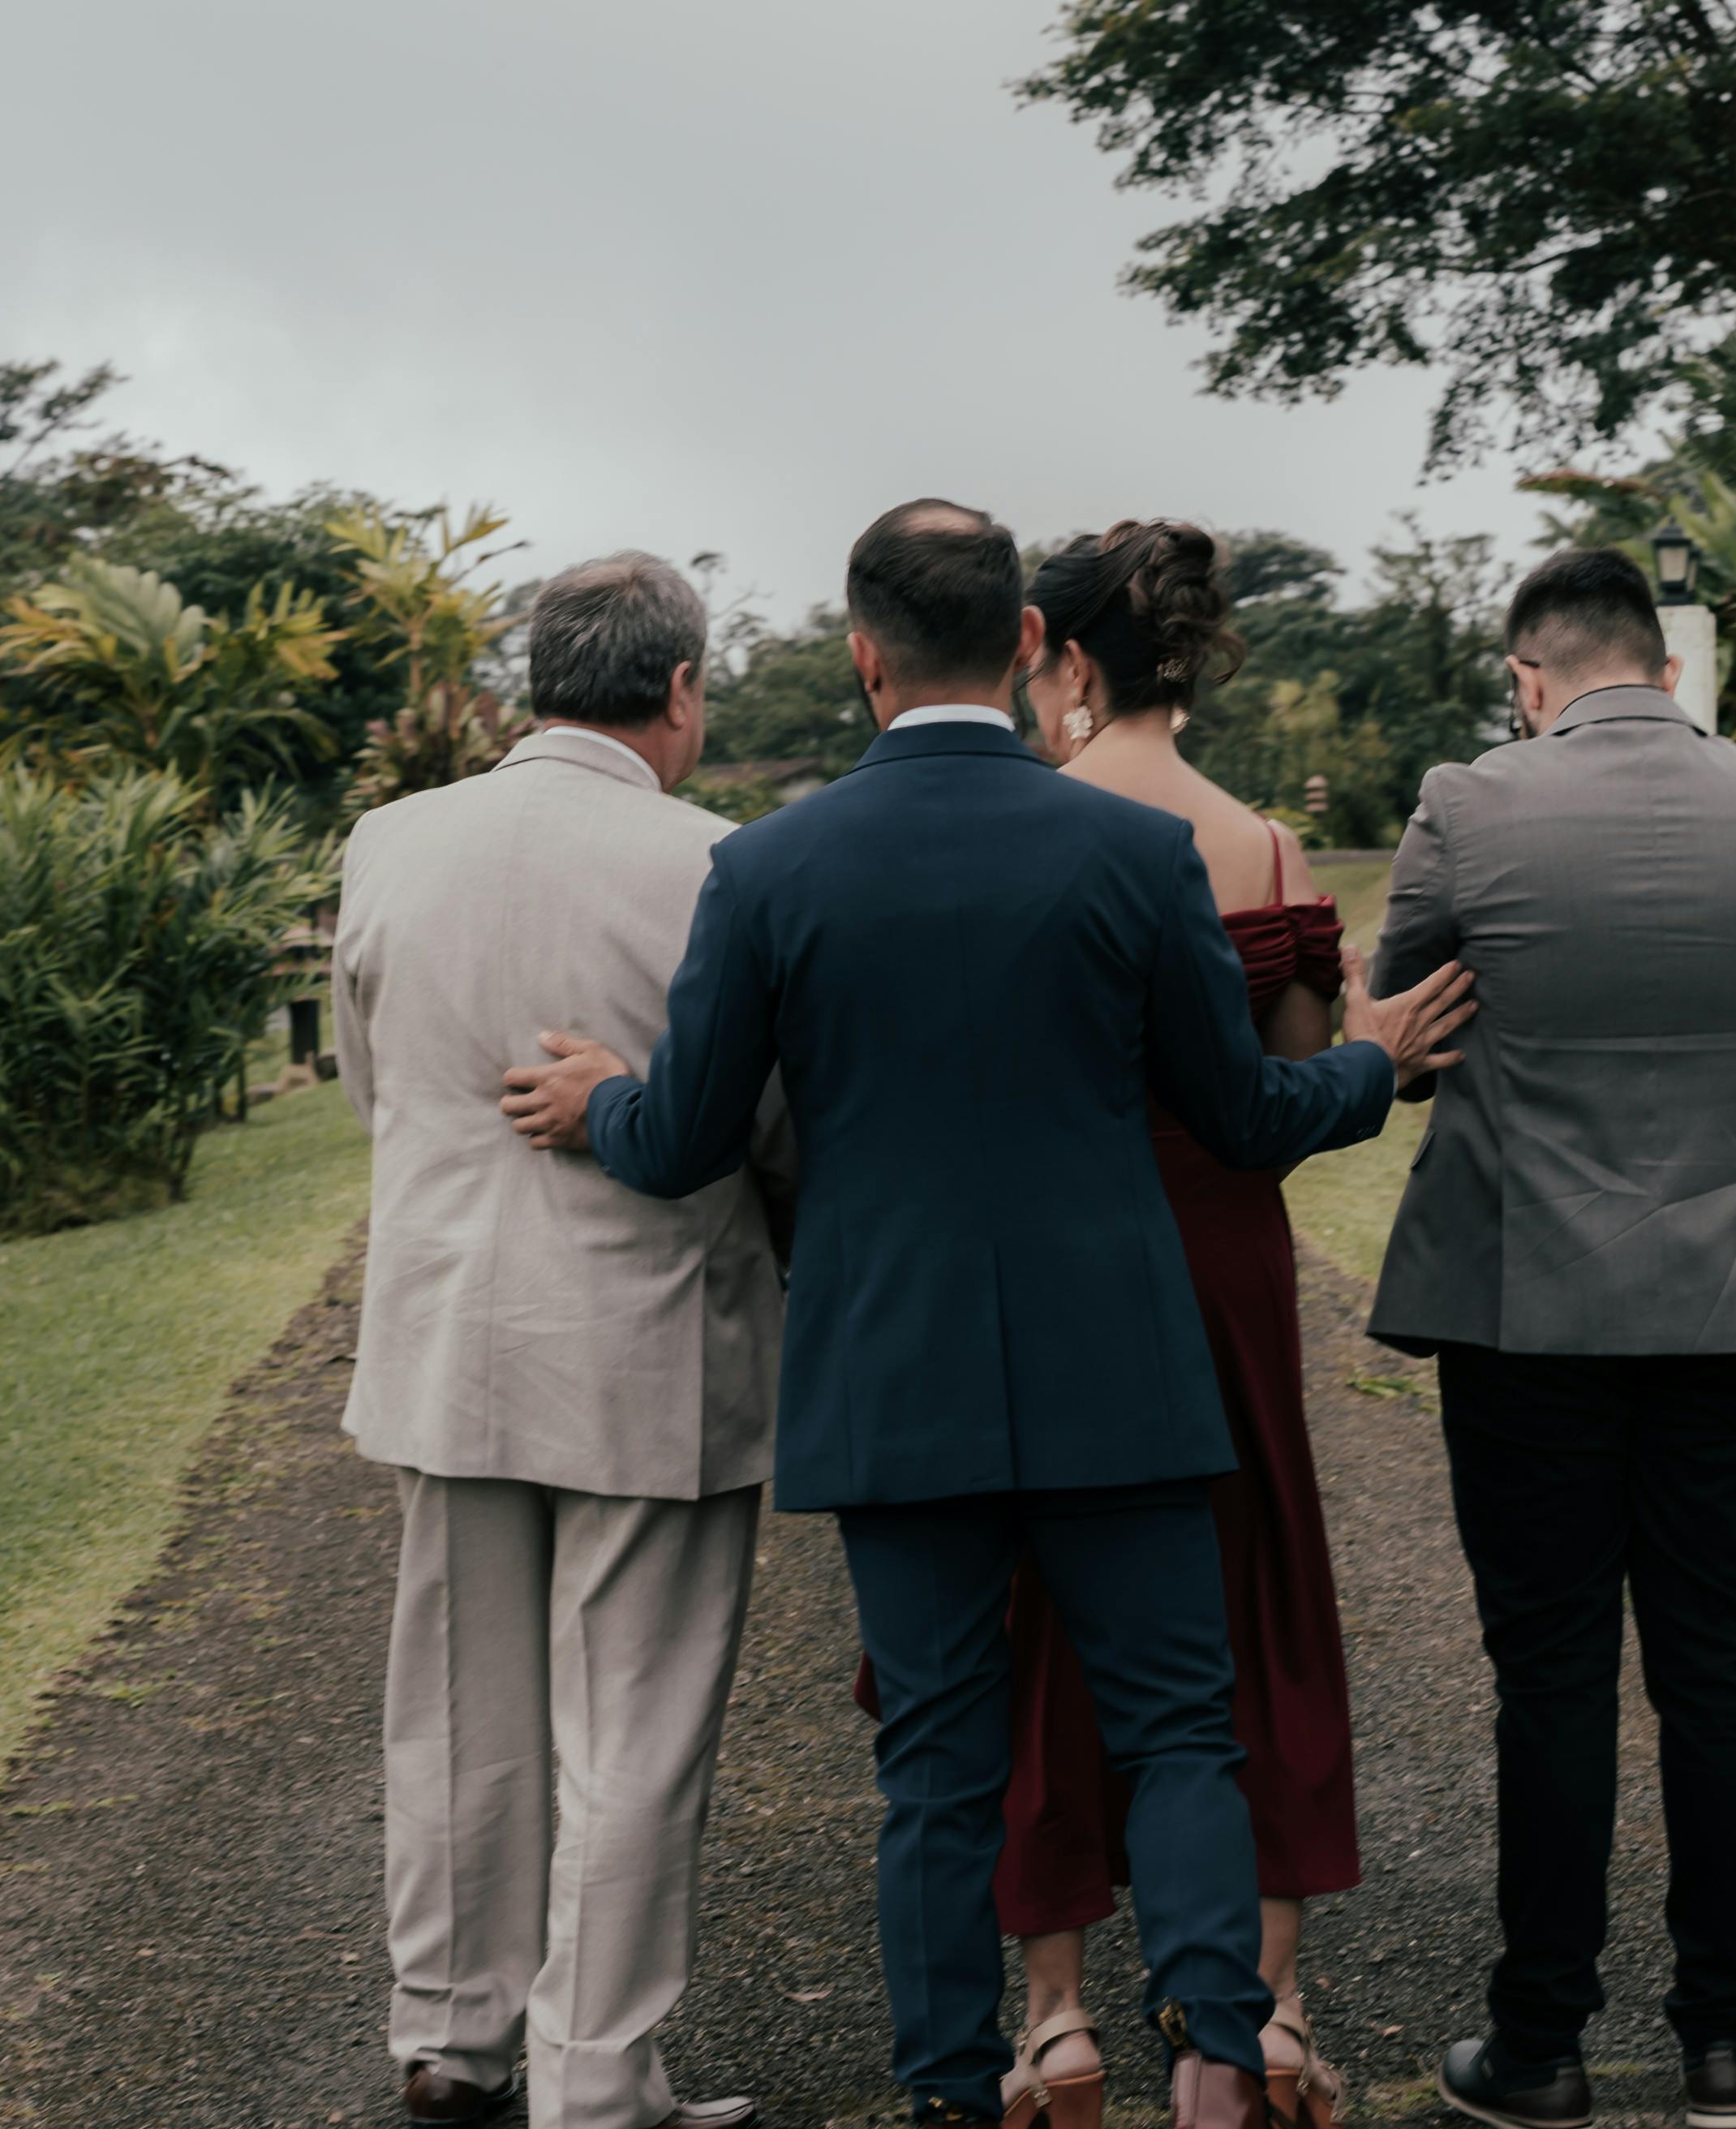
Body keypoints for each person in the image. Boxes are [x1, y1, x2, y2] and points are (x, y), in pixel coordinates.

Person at [492, 501, 1477, 2129]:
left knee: (938, 1771)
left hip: (895, 1383)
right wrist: (1372, 1064)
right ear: (1023, 643)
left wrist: (600, 1101)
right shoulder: (1132, 853)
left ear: (862, 657)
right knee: (1180, 1736)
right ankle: (1223, 2073)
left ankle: (958, 2093)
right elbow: (1240, 1114)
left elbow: (679, 1146)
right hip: (1126, 1370)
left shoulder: (771, 865)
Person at [1366, 549, 1736, 2129]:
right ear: (1661, 669)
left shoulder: (1468, 804)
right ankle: (1725, 2037)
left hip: (1532, 1299)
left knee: (1556, 1669)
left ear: (1529, 678)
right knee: (1723, 1658)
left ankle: (1543, 2042)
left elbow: (1402, 1037)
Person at [333, 552, 796, 2129]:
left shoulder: (392, 840)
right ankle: (595, 2076)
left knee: (453, 1706)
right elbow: (775, 1123)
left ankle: (451, 2033)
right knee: (633, 1724)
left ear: (539, 677)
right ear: (681, 688)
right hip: (653, 1344)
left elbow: (369, 1089)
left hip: (447, 1329)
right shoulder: (722, 860)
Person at [966, 521, 1360, 2129]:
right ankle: (1257, 2013)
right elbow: (1291, 1085)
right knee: (1248, 1590)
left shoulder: (1017, 833)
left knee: (1040, 1611)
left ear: (1057, 650)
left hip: (1051, 1265)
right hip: (1221, 1262)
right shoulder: (1264, 850)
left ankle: (1053, 2018)